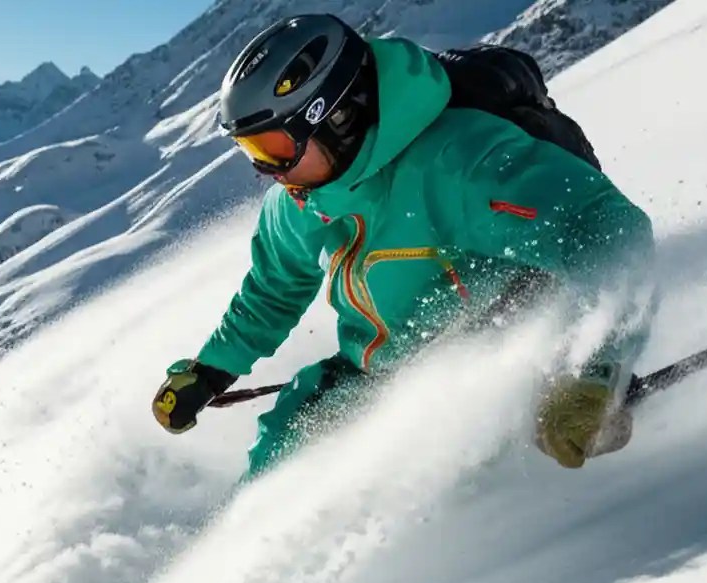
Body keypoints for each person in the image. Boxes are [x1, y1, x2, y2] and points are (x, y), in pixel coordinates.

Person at [152, 14, 654, 479]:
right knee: (279, 461)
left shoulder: (457, 162)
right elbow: (273, 290)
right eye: (251, 150)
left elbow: (607, 234)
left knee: (420, 476)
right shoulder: (299, 201)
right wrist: (210, 371)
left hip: (493, 357)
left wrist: (596, 373)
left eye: (275, 148)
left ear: (338, 117)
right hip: (376, 374)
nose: (267, 170)